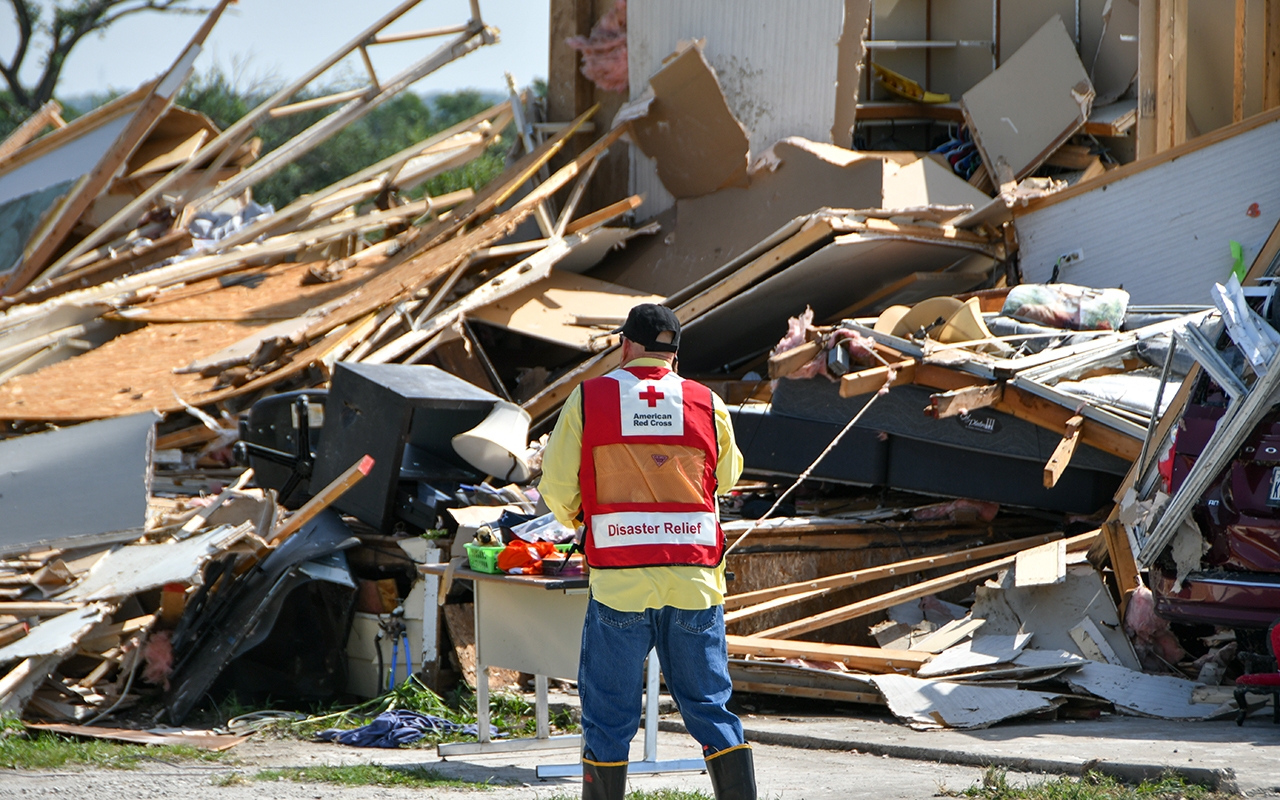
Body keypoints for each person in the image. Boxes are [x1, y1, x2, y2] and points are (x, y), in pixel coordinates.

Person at [539, 304, 756, 800]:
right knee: (710, 708)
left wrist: (582, 519)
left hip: (620, 582)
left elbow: (556, 485)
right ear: (675, 354)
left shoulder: (590, 398)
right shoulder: (706, 402)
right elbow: (726, 478)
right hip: (694, 582)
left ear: (626, 346)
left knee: (609, 716)